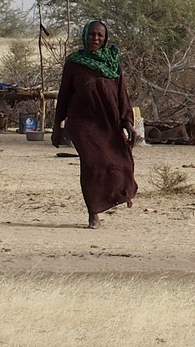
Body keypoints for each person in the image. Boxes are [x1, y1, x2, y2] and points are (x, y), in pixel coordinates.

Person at [52, 20, 138, 229]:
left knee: (120, 161)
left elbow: (121, 93)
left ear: (105, 38)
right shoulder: (75, 62)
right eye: (92, 35)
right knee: (92, 164)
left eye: (99, 35)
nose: (95, 39)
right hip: (82, 121)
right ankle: (93, 212)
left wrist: (127, 122)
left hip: (108, 120)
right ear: (84, 36)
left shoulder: (112, 61)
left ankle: (120, 194)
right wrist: (57, 125)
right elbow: (64, 95)